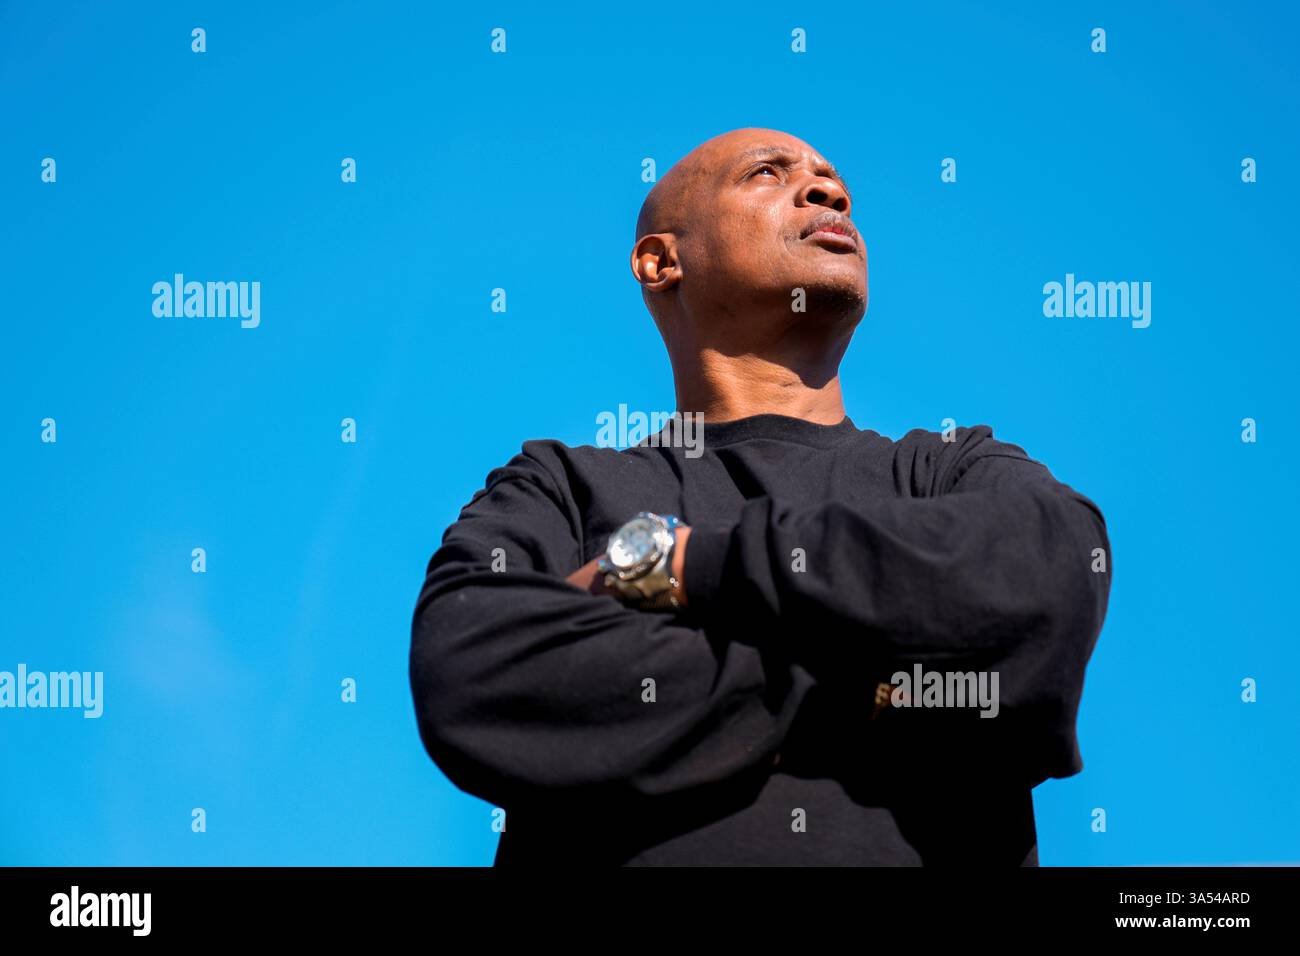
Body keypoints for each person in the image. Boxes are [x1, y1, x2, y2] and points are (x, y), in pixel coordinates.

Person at [409, 127, 1112, 865]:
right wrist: (892, 676)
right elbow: (474, 674)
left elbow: (1058, 569)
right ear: (659, 262)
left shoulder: (949, 468)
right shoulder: (561, 488)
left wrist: (680, 570)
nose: (829, 191)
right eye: (767, 173)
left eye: (832, 179)